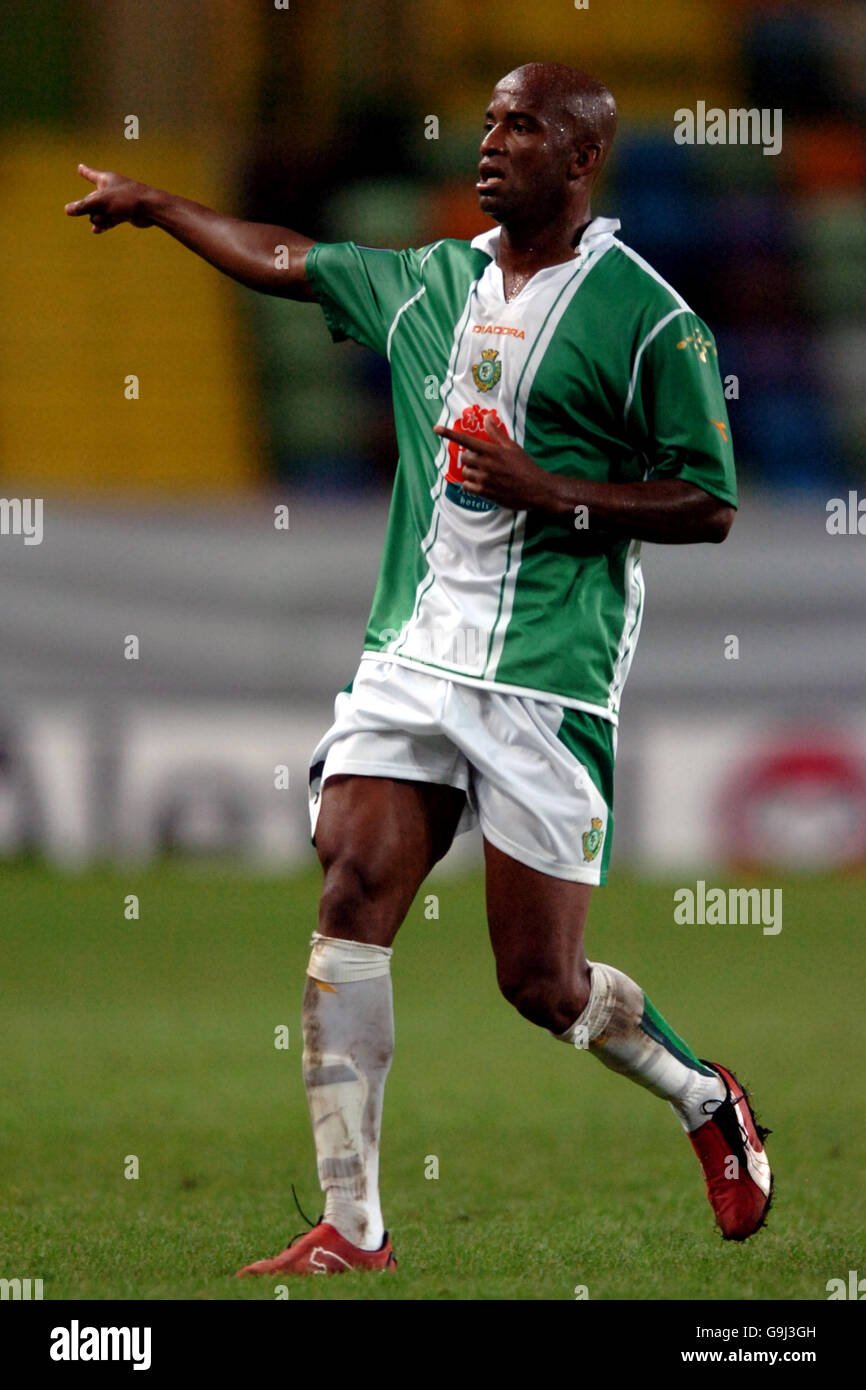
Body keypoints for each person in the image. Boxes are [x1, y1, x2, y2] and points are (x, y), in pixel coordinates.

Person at [65, 61, 772, 1279]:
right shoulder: (424, 281)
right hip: (409, 657)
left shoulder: (649, 319)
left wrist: (552, 491)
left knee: (540, 984)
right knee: (349, 891)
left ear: (580, 157)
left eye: (523, 126)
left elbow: (706, 504)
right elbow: (288, 259)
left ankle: (702, 1096)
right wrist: (169, 210)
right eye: (489, 120)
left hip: (546, 676)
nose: (491, 141)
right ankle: (354, 1227)